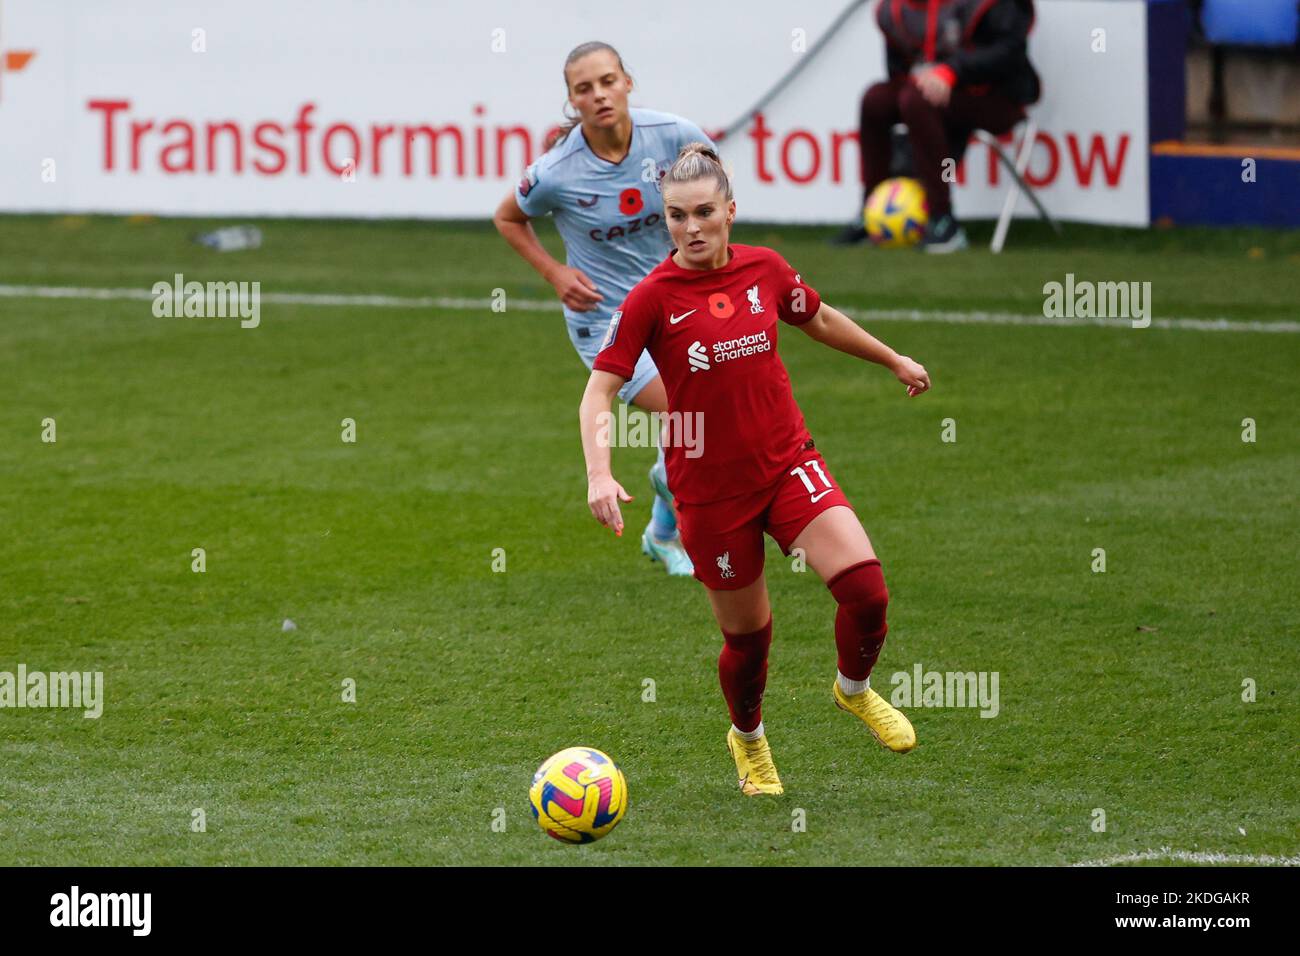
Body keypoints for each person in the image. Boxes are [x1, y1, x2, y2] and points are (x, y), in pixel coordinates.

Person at [579, 143, 932, 795]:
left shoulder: (765, 269)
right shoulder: (652, 299)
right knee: (750, 641)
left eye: (704, 212)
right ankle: (748, 741)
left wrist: (892, 359)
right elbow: (599, 390)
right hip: (711, 496)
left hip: (787, 464)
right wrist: (600, 473)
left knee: (868, 592)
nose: (691, 228)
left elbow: (819, 318)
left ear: (730, 212)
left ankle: (853, 690)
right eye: (677, 216)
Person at [494, 41, 716, 576]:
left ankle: (663, 532)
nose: (598, 95)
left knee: (697, 421)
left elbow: (715, 190)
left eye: (607, 81)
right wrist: (555, 273)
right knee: (691, 412)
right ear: (572, 101)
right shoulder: (555, 170)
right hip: (605, 318)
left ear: (627, 82)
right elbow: (507, 217)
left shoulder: (675, 135)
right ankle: (671, 484)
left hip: (674, 307)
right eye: (584, 89)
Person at [832, 0, 1041, 252]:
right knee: (875, 100)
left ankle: (943, 221)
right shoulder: (895, 10)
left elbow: (1010, 52)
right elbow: (898, 68)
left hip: (998, 99)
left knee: (917, 99)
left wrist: (952, 71)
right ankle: (871, 212)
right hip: (931, 96)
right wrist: (930, 77)